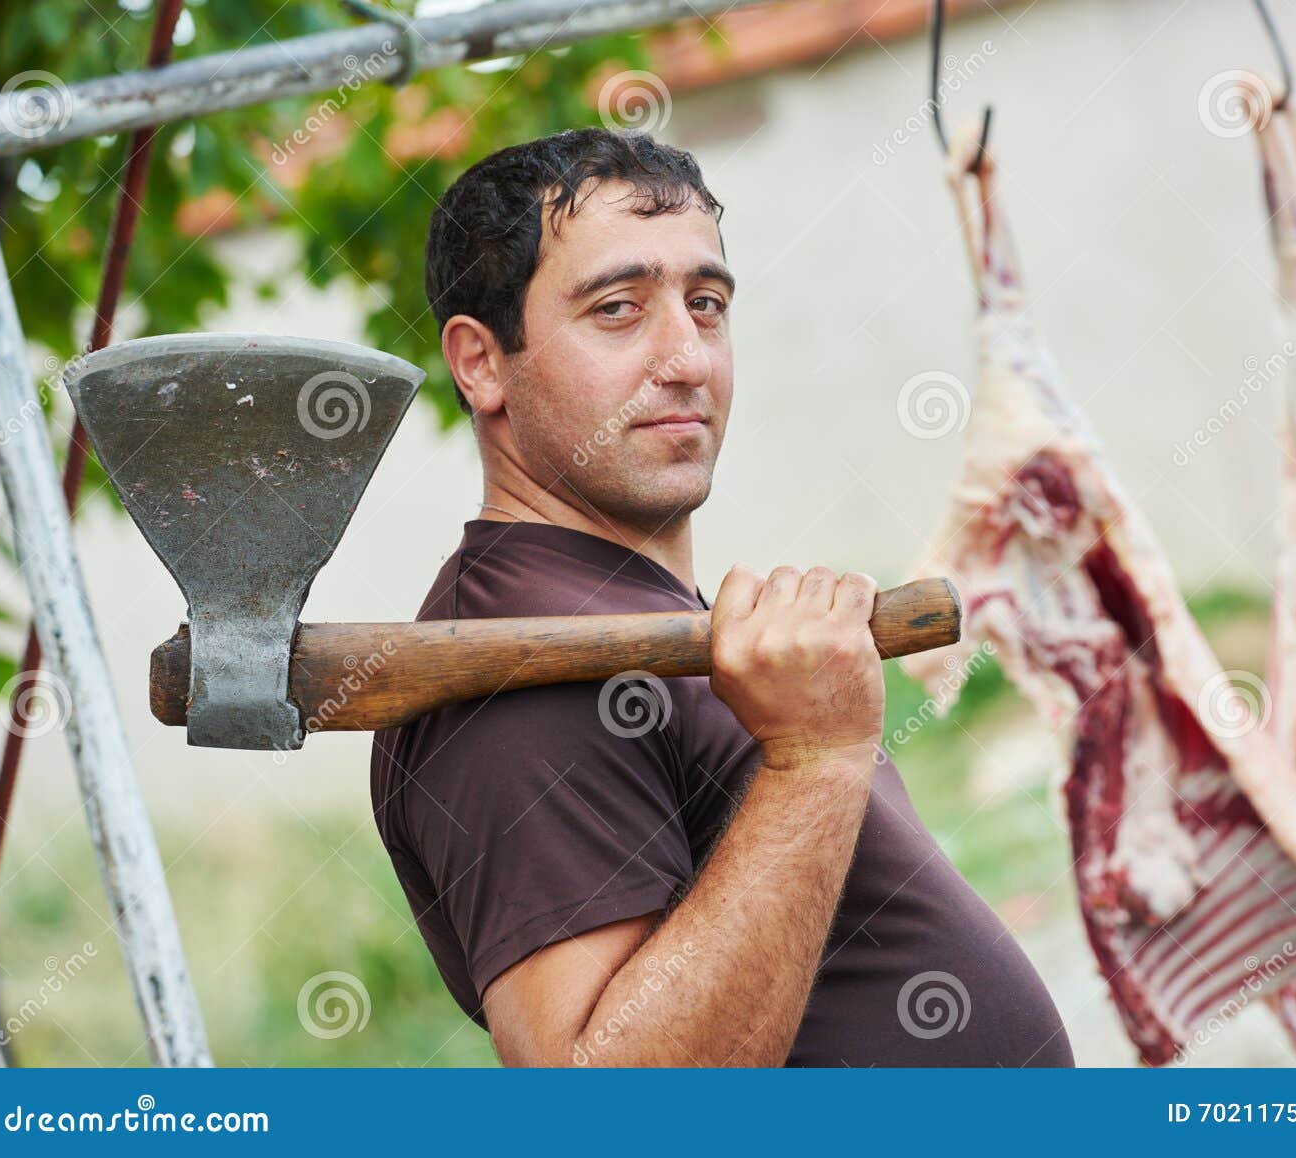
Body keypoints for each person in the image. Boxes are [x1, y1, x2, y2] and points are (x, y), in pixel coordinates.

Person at [370, 128, 1074, 1067]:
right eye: (618, 309)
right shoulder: (516, 670)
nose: (688, 359)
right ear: (481, 363)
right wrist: (816, 757)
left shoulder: (625, 612)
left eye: (706, 305)